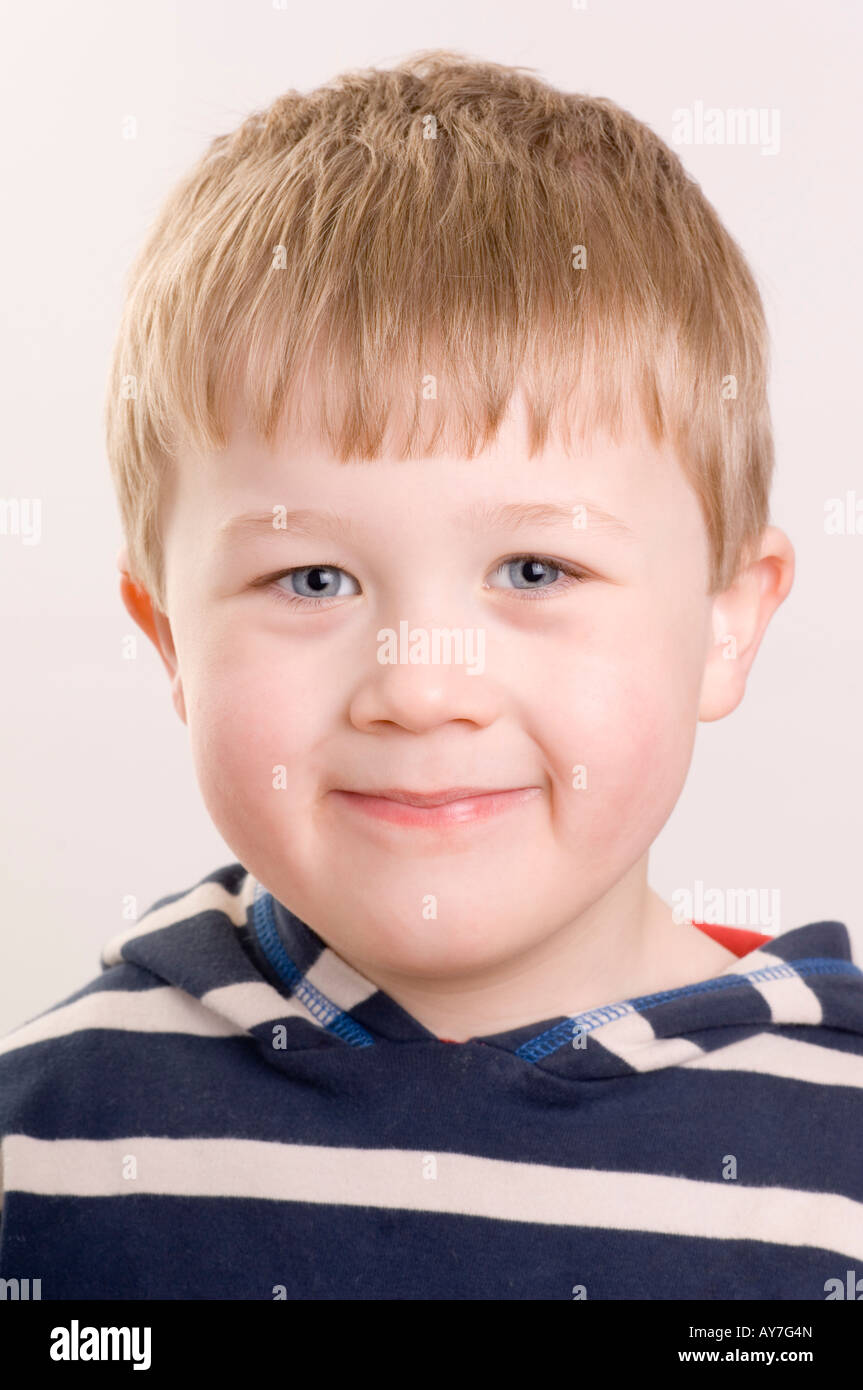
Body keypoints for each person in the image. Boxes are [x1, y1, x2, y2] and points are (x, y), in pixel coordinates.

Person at [1, 49, 861, 1300]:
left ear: (725, 624)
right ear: (171, 641)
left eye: (531, 569)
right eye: (313, 581)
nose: (419, 687)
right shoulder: (48, 1152)